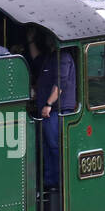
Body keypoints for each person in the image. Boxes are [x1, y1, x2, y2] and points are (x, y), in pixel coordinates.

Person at [35, 40, 76, 190]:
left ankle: (59, 182)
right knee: (47, 146)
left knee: (54, 146)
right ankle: (50, 181)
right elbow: (36, 61)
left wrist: (49, 104)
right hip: (49, 111)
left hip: (57, 110)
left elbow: (61, 82)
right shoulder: (50, 56)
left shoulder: (63, 56)